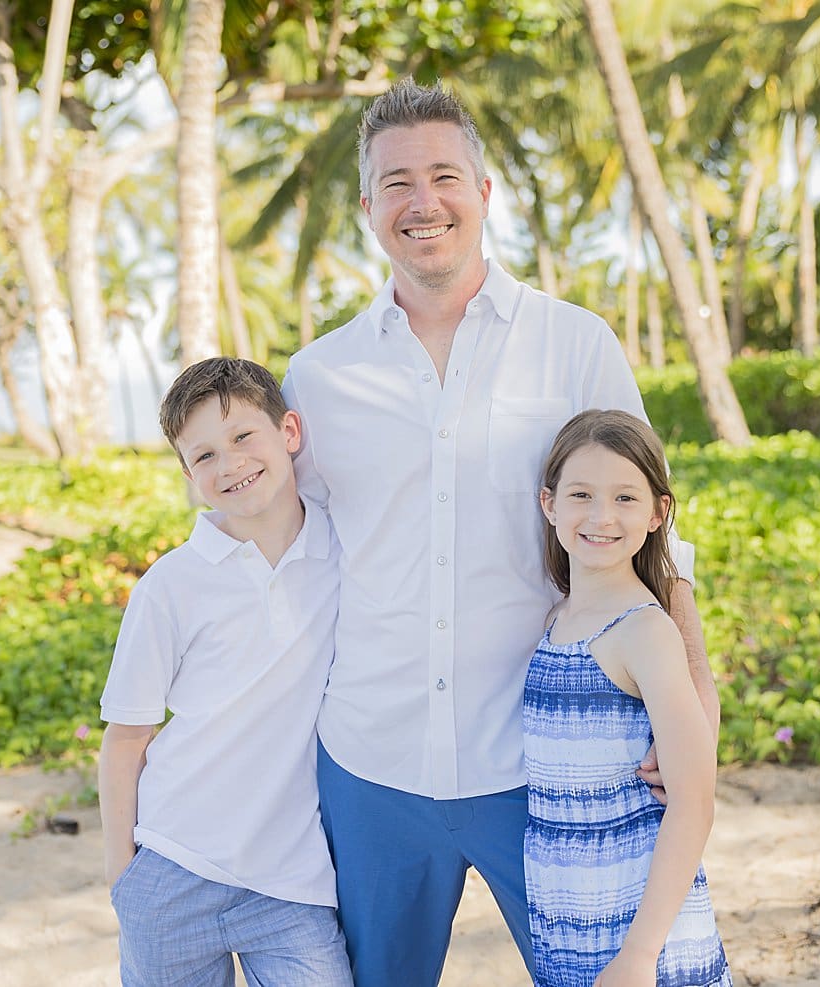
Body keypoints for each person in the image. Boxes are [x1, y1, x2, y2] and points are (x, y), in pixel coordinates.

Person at [282, 78, 721, 986]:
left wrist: (698, 701)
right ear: (368, 207)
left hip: (545, 770)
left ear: (483, 195)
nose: (422, 201)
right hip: (371, 769)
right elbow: (292, 557)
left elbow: (653, 532)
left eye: (445, 175)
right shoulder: (319, 377)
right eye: (396, 182)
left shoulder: (574, 342)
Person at [97, 357, 352, 987]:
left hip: (293, 883)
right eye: (204, 455)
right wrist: (121, 876)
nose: (230, 463)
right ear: (188, 474)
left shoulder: (346, 552)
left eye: (243, 437)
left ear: (290, 432)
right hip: (171, 869)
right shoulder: (172, 585)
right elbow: (126, 737)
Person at [526, 409, 731, 987]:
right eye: (581, 495)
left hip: (644, 938)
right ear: (550, 504)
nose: (600, 517)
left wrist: (640, 955)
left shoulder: (644, 631)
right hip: (569, 926)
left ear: (657, 512)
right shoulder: (557, 617)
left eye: (624, 498)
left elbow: (694, 801)